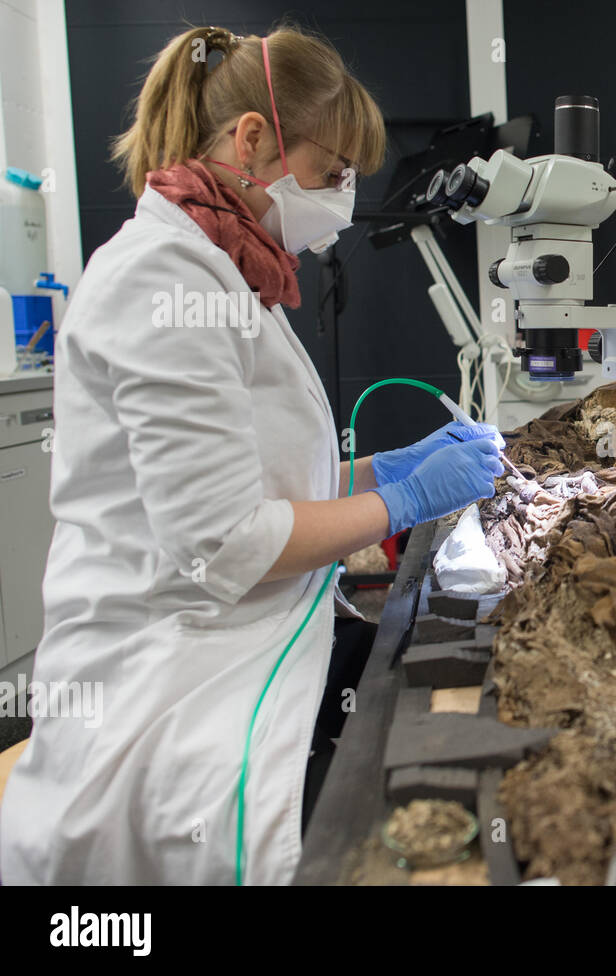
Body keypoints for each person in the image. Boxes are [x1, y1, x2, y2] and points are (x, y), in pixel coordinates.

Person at [0, 25, 502, 884]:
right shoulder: (162, 281)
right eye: (333, 171)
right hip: (175, 682)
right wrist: (403, 503)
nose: (343, 196)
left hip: (249, 632)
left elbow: (267, 483)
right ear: (253, 141)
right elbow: (226, 540)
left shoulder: (232, 273)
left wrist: (387, 468)